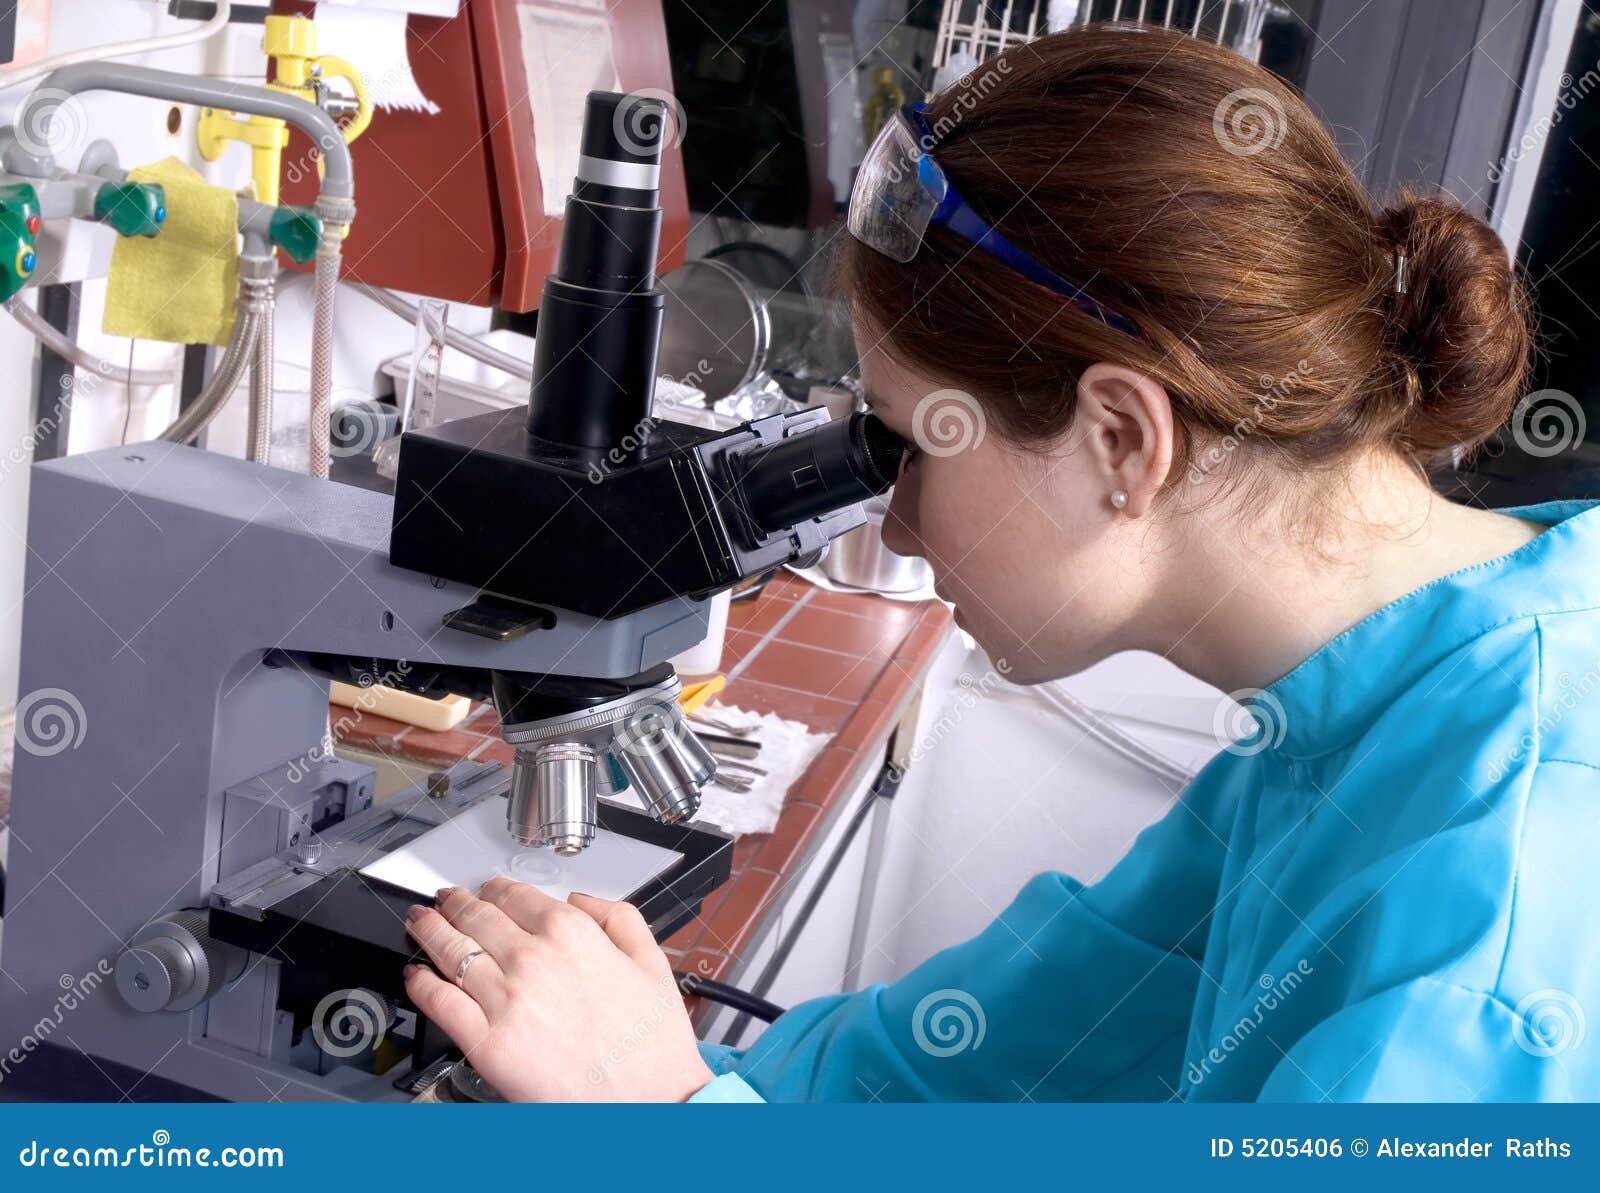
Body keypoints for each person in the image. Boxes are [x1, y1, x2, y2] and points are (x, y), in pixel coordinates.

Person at [399, 23, 1600, 1102]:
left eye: (908, 445)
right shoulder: (1355, 711)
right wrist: (670, 1075)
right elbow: (995, 1063)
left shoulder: (1482, 952)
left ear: (1122, 439)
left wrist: (659, 1118)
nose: (897, 525)